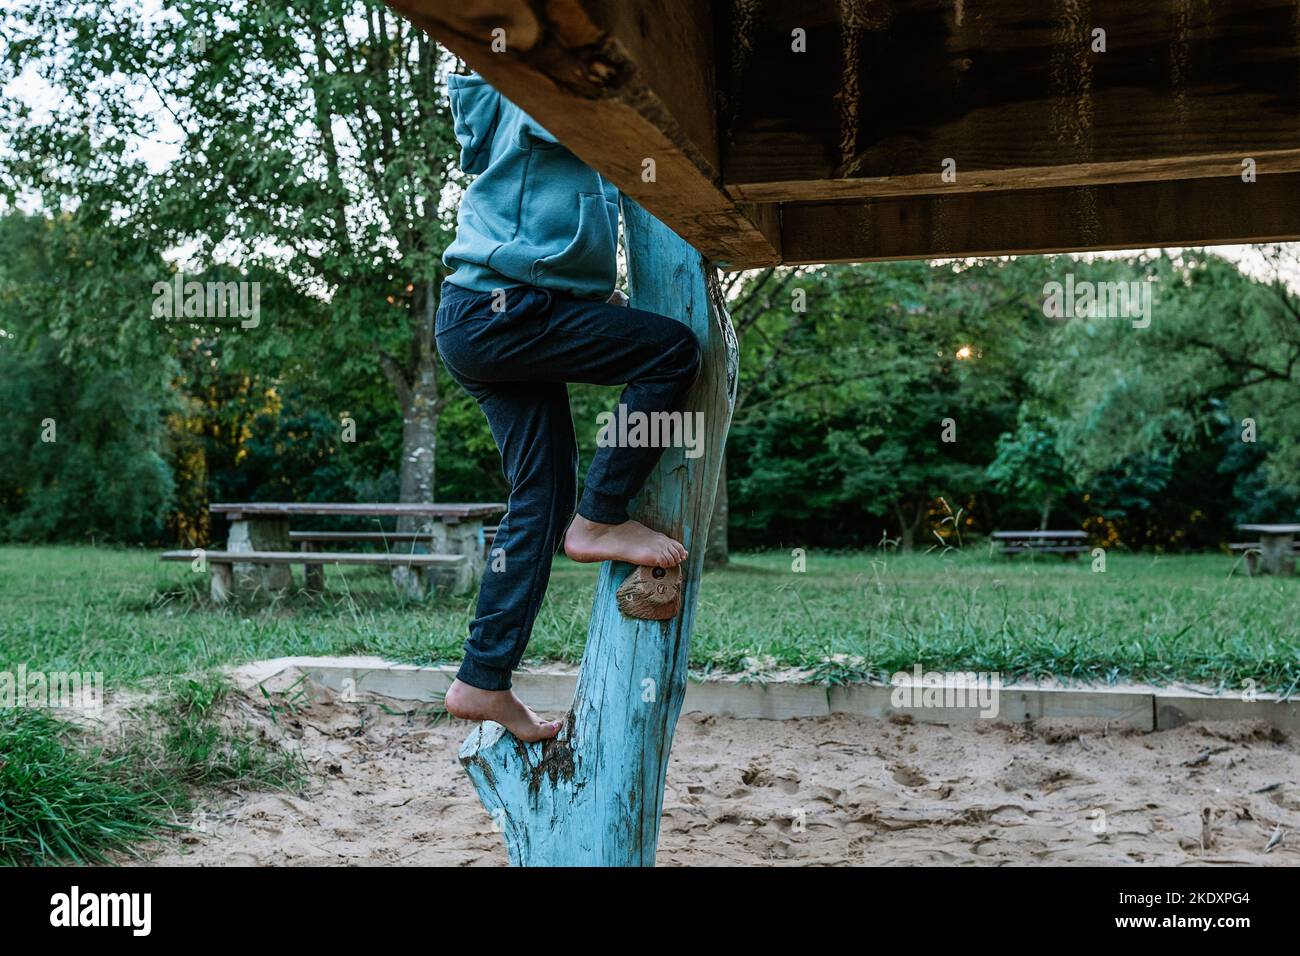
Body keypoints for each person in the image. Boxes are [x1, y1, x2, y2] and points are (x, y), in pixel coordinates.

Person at [435, 71, 700, 742]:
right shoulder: (541, 80)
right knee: (668, 353)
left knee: (540, 495)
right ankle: (601, 519)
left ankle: (481, 680)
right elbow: (602, 112)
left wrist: (580, 296)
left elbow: (540, 209)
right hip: (502, 311)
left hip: (478, 314)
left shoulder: (509, 97)